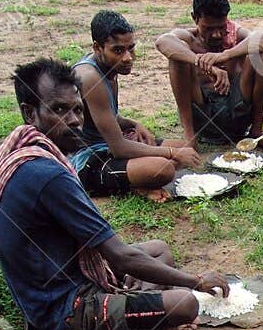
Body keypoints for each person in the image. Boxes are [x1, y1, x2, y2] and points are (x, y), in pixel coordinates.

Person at [0, 59, 227, 330]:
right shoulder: (46, 175)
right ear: (30, 113)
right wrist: (196, 281)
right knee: (185, 303)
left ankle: (138, 306)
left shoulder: (27, 151)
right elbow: (119, 255)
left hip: (67, 274)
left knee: (159, 250)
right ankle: (140, 315)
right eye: (59, 109)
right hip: (61, 308)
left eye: (77, 109)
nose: (74, 120)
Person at [71, 10, 198, 199]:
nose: (128, 57)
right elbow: (119, 148)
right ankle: (134, 184)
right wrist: (172, 153)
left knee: (184, 147)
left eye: (131, 48)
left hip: (107, 145)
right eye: (118, 50)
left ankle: (137, 179)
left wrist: (133, 124)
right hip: (88, 158)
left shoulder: (108, 67)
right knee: (164, 168)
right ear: (97, 48)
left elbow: (105, 114)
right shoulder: (90, 78)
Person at [156, 0, 263, 150]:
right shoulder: (189, 37)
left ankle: (256, 132)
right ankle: (190, 138)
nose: (216, 34)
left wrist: (224, 55)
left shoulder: (235, 35)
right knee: (178, 59)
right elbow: (163, 42)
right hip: (203, 117)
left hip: (237, 114)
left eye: (221, 27)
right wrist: (204, 63)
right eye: (209, 28)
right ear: (195, 18)